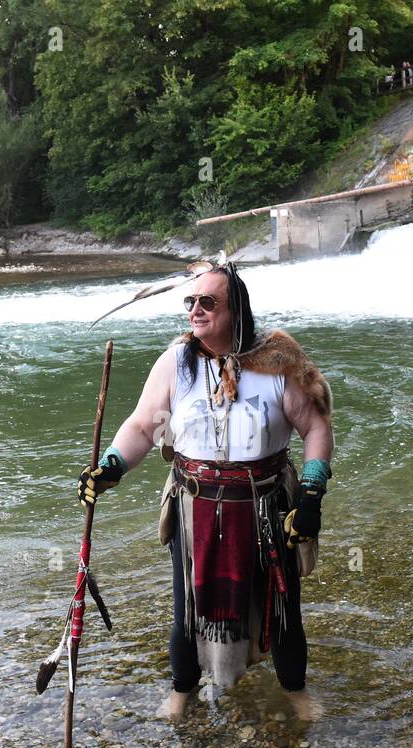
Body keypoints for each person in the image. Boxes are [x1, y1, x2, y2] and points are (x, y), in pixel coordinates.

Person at [77, 262, 334, 722]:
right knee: (187, 604)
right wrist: (111, 465)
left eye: (207, 302)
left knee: (282, 604)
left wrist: (312, 492)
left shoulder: (279, 362)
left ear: (237, 311)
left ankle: (294, 691)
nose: (195, 310)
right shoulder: (176, 363)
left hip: (267, 504)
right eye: (190, 302)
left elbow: (316, 426)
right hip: (194, 503)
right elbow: (143, 425)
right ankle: (183, 691)